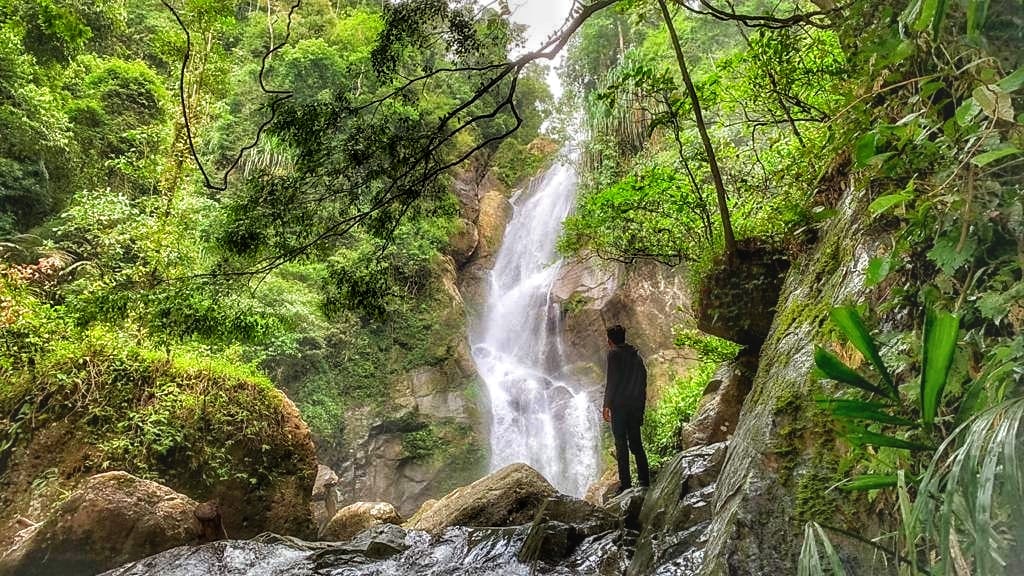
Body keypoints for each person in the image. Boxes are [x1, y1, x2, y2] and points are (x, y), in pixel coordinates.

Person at [602, 324, 650, 492]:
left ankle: (626, 484)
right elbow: (643, 380)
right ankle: (644, 481)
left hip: (620, 407)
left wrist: (606, 404)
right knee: (636, 444)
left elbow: (612, 381)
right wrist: (640, 406)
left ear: (610, 341)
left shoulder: (613, 354)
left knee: (621, 445)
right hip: (635, 406)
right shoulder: (636, 356)